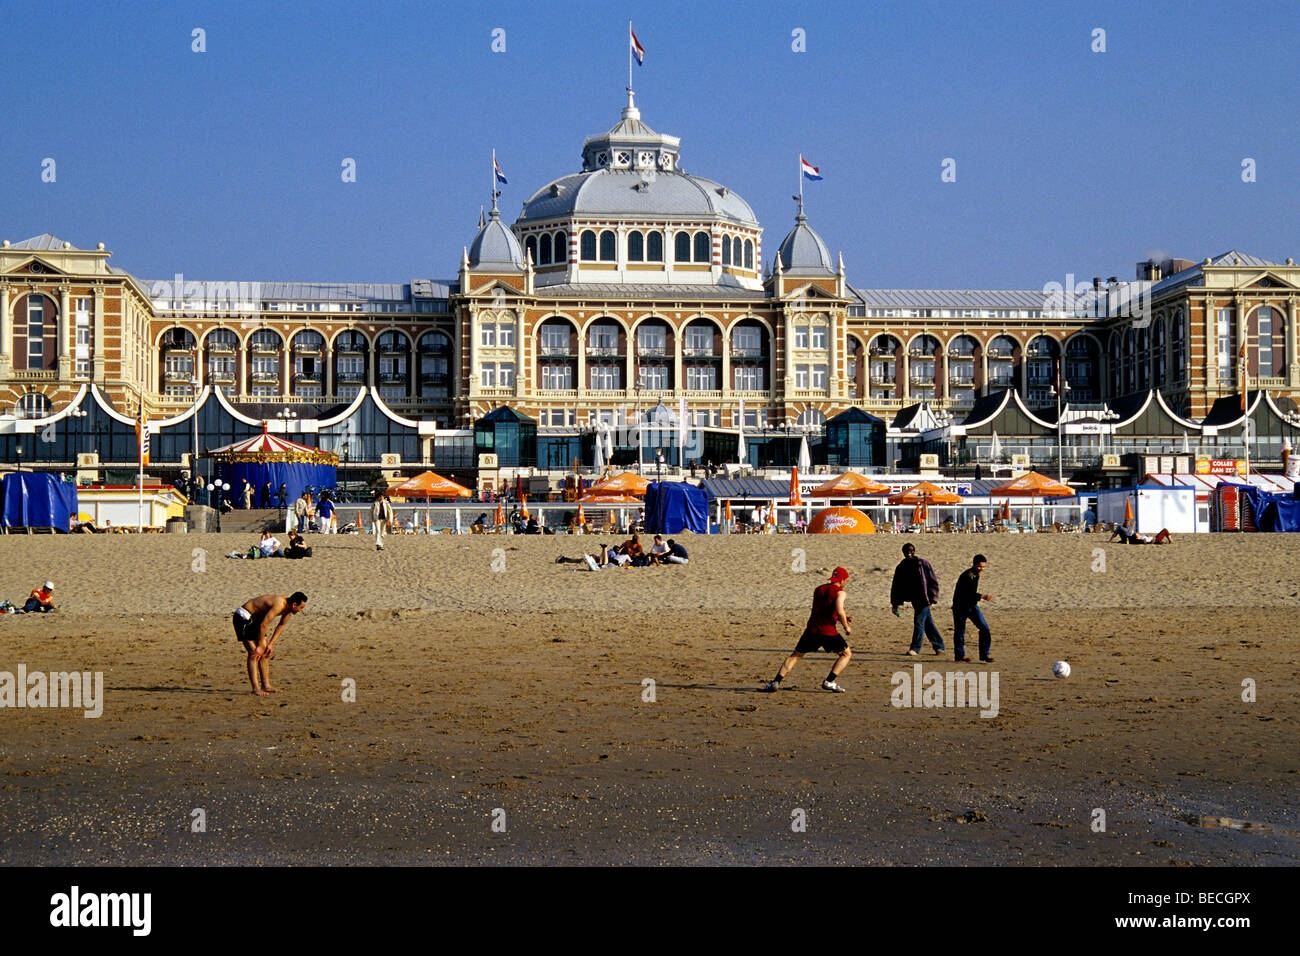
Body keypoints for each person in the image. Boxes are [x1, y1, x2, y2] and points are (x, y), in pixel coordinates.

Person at [763, 567, 853, 693]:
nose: (847, 583)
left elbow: (823, 609)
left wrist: (842, 617)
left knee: (796, 656)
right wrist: (846, 626)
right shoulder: (840, 592)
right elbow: (839, 610)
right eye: (847, 580)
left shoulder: (819, 589)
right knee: (846, 654)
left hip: (812, 630)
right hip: (828, 632)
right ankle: (829, 681)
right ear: (843, 580)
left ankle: (775, 682)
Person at [232, 592, 307, 696]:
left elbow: (281, 625)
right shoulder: (279, 604)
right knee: (254, 653)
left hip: (257, 619)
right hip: (244, 616)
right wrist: (259, 646)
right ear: (294, 605)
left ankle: (266, 685)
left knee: (266, 652)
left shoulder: (289, 609)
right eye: (301, 607)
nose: (301, 610)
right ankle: (255, 688)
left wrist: (271, 644)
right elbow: (264, 625)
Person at [890, 542, 946, 657]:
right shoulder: (902, 566)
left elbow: (932, 580)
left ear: (914, 551)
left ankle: (915, 648)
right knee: (927, 623)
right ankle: (939, 646)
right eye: (906, 552)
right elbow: (897, 586)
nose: (909, 554)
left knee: (919, 622)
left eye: (910, 551)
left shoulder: (922, 564)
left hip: (924, 598)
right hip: (914, 598)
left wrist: (934, 597)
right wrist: (895, 603)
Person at [952, 553, 994, 663]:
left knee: (984, 628)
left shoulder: (976, 574)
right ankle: (959, 655)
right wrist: (982, 596)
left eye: (984, 567)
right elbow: (967, 594)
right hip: (960, 606)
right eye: (980, 566)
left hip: (971, 605)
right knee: (960, 631)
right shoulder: (968, 575)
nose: (982, 569)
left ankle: (985, 653)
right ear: (974, 565)